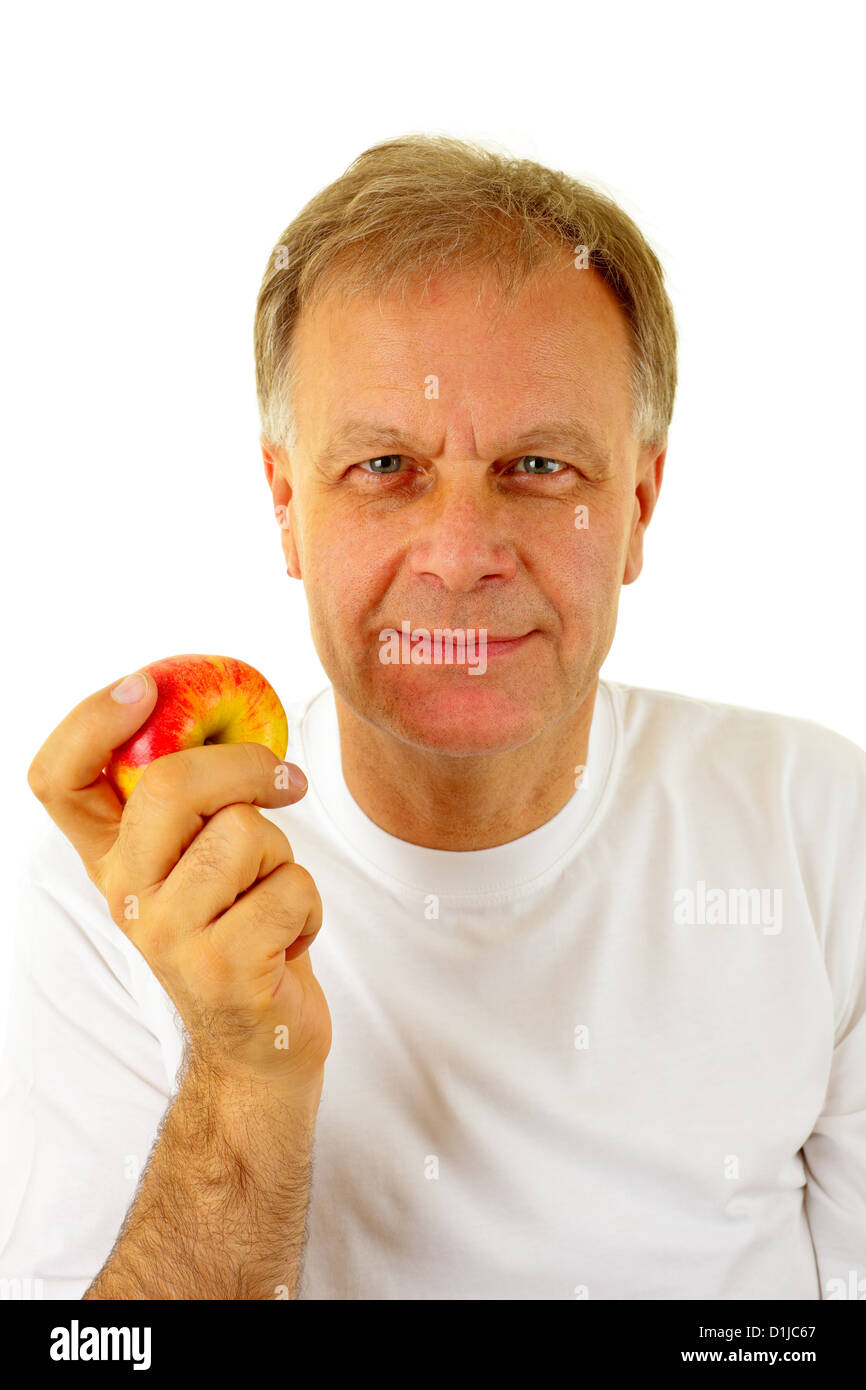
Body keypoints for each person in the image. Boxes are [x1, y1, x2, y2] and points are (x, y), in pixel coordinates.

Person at [2, 134, 864, 1301]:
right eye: (385, 466)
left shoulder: (819, 826)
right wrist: (244, 1072)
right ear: (285, 506)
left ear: (639, 505)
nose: (459, 557)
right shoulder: (139, 877)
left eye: (541, 465)